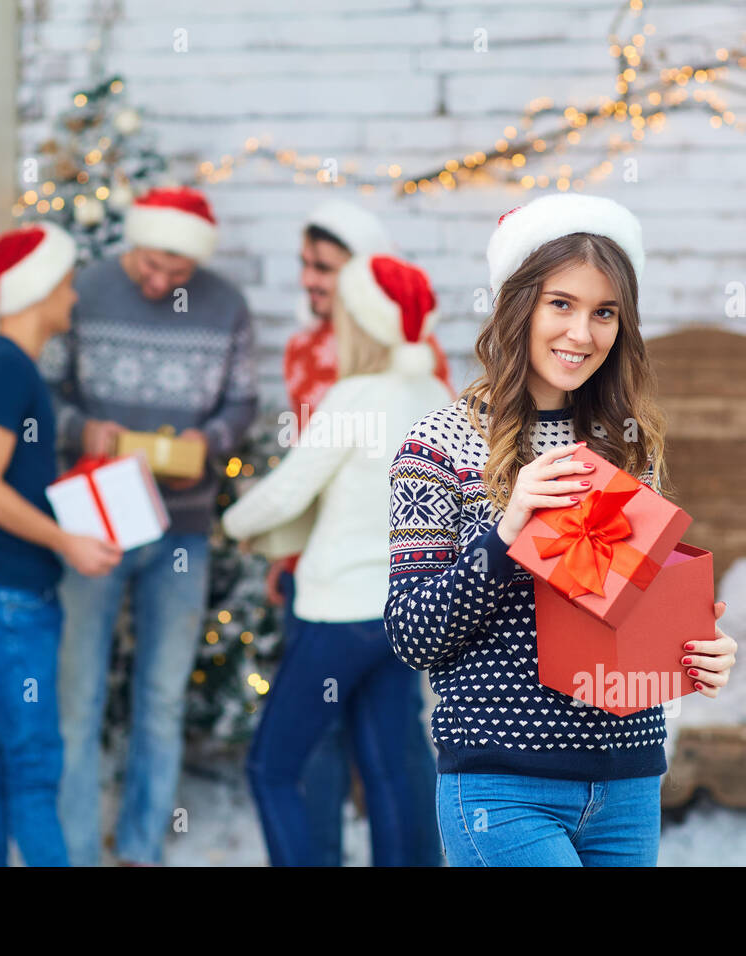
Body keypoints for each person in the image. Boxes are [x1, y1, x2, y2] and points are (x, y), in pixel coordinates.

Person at [385, 193, 738, 867]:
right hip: (502, 786)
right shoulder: (438, 446)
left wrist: (700, 648)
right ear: (517, 304)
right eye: (561, 304)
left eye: (604, 312)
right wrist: (508, 531)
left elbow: (631, 617)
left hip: (628, 784)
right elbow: (412, 635)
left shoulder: (629, 446)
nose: (583, 332)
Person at [39, 185, 258, 866]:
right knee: (78, 692)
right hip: (95, 515)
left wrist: (209, 441)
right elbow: (44, 392)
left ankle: (139, 848)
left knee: (161, 697)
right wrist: (86, 432)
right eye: (152, 266)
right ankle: (74, 851)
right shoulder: (85, 291)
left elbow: (244, 400)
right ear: (133, 244)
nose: (163, 281)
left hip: (182, 525)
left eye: (178, 272)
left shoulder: (226, 305)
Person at [223, 253, 452, 866]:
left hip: (339, 616)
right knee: (388, 774)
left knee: (275, 767)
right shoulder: (434, 392)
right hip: (405, 617)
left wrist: (232, 521)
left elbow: (287, 491)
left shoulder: (355, 396)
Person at [0, 221, 123, 867]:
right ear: (38, 287)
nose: (74, 298)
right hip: (6, 603)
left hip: (7, 596)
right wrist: (67, 542)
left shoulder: (14, 370)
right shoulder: (5, 371)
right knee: (33, 769)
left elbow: (10, 481)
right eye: (68, 283)